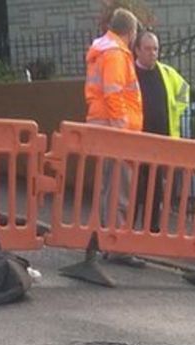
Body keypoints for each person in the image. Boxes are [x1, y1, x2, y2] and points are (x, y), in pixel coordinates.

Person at [84, 8, 145, 266]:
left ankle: (103, 241)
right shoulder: (116, 53)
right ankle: (116, 245)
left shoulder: (102, 50)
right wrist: (123, 130)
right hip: (116, 130)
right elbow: (114, 93)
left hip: (103, 127)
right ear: (130, 33)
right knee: (119, 189)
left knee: (107, 187)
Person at [133, 31, 189, 232]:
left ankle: (152, 227)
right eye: (147, 49)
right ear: (138, 50)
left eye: (155, 49)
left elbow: (184, 91)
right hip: (136, 140)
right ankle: (129, 228)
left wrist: (175, 109)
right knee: (134, 187)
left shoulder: (165, 72)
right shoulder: (131, 73)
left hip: (160, 141)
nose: (152, 53)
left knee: (155, 187)